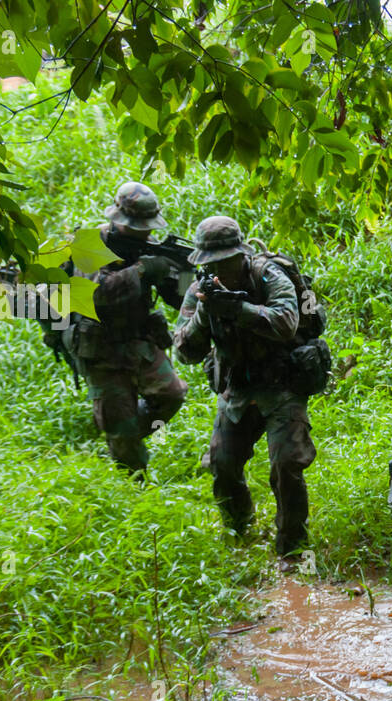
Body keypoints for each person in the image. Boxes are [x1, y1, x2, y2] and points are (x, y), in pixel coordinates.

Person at [173, 216, 315, 564]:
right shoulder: (200, 291)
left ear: (241, 254)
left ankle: (292, 546)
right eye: (211, 262)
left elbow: (286, 323)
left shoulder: (267, 275)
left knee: (286, 464)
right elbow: (184, 351)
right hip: (235, 390)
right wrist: (206, 312)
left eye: (225, 259)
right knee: (223, 466)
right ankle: (239, 530)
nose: (218, 267)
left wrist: (239, 310)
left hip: (281, 385)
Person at [63, 182, 187, 473]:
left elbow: (179, 297)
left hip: (139, 341)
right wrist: (143, 270)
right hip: (100, 349)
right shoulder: (90, 245)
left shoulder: (146, 248)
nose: (146, 231)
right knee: (122, 431)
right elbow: (96, 294)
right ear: (119, 220)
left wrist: (181, 277)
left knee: (171, 396)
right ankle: (131, 484)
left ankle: (124, 435)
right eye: (139, 226)